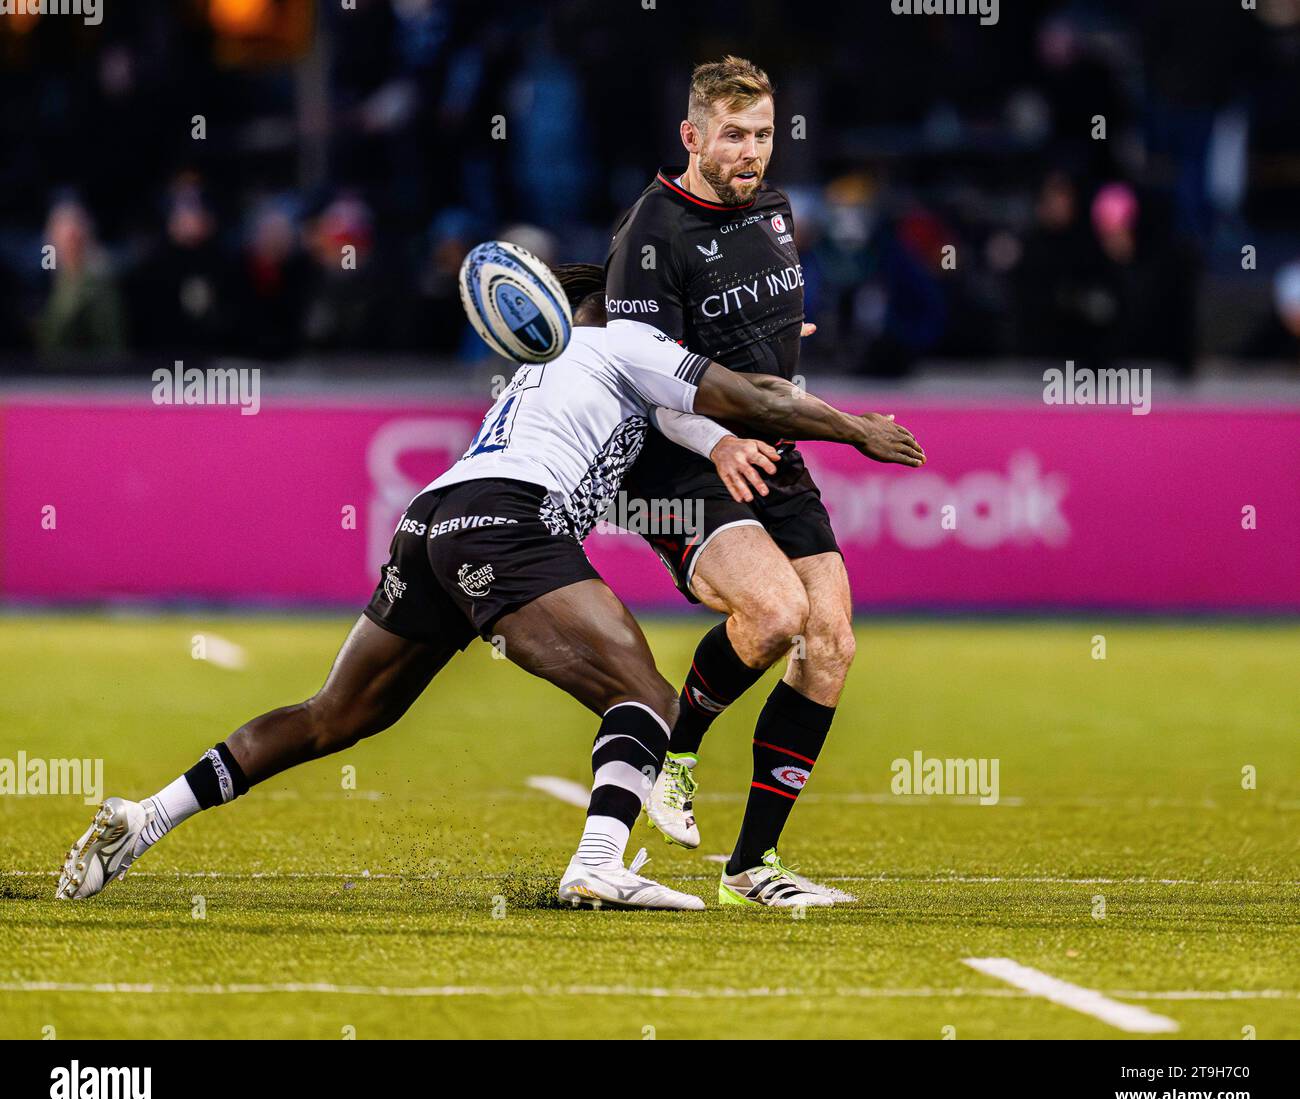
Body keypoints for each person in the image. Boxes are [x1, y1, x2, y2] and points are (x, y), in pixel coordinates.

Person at [56, 265, 923, 911]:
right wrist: (851, 427)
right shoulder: (624, 341)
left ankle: (149, 816)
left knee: (337, 714)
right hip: (511, 520)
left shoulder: (544, 371)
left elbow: (696, 418)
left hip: (431, 518)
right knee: (648, 696)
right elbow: (741, 398)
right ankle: (596, 864)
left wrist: (737, 399)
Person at [603, 56, 871, 902]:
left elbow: (758, 327)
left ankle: (753, 866)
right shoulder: (650, 233)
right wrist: (718, 439)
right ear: (693, 136)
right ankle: (672, 755)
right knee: (775, 612)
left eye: (762, 134)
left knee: (829, 644)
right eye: (733, 135)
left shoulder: (779, 212)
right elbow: (644, 377)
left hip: (765, 447)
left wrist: (780, 347)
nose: (752, 151)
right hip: (676, 460)